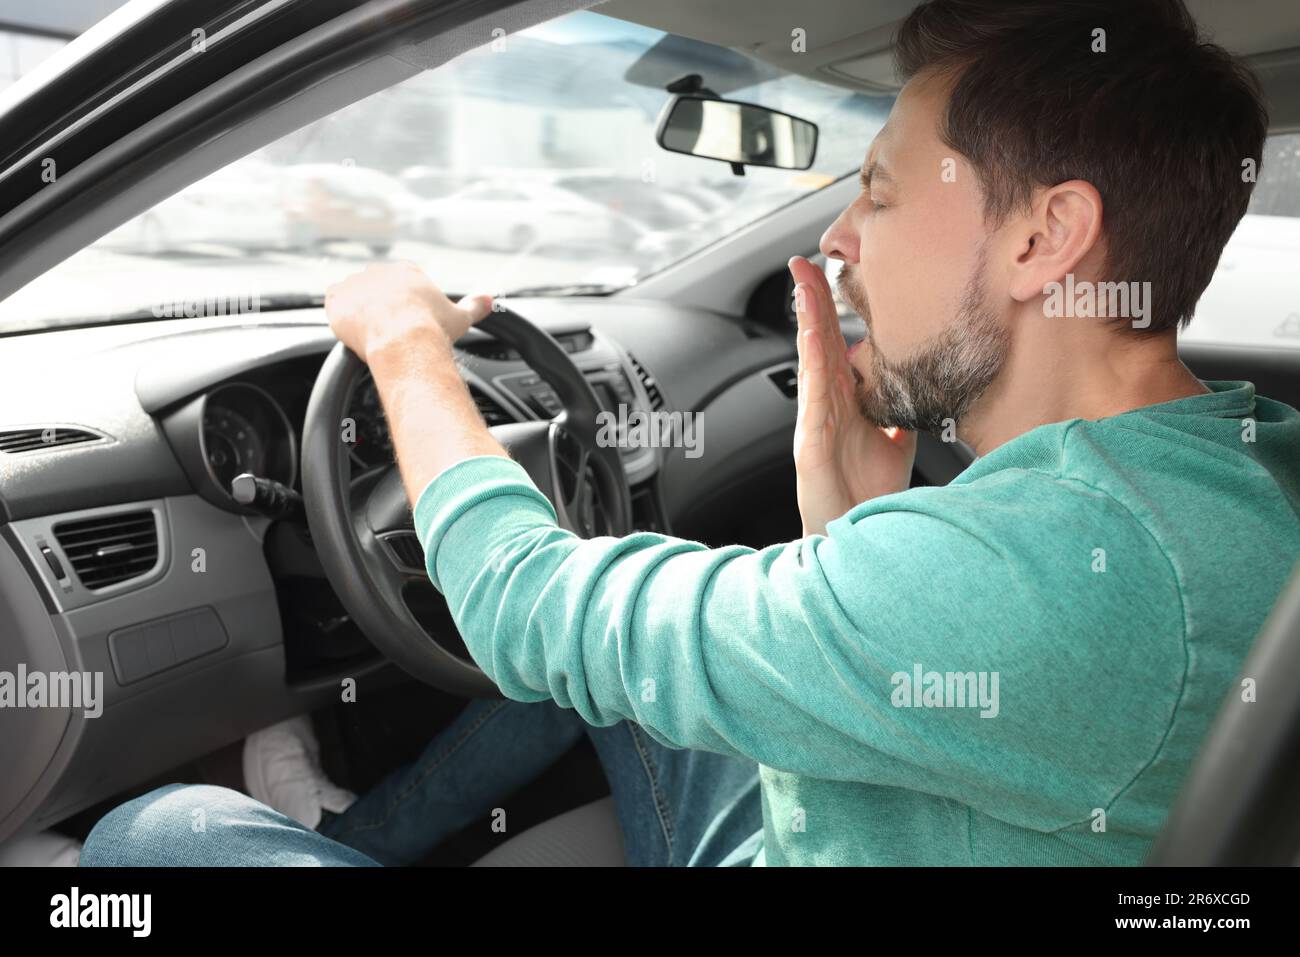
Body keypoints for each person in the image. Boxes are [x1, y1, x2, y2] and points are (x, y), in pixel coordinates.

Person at [82, 0, 1299, 867]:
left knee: (156, 835)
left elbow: (522, 603)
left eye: (877, 192)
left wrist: (403, 344)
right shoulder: (1244, 458)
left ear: (1045, 239)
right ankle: (354, 835)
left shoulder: (1043, 574)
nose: (839, 241)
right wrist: (854, 537)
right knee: (654, 637)